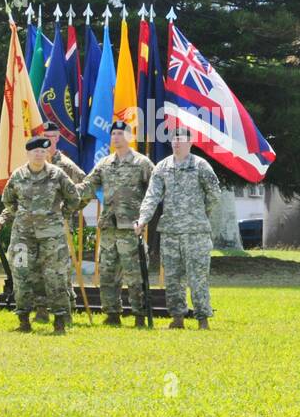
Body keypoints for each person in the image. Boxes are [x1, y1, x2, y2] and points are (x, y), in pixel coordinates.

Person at [0, 135, 84, 334]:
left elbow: (74, 198)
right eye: (35, 151)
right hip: (23, 236)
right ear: (28, 153)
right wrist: (21, 216)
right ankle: (23, 321)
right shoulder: (18, 175)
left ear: (47, 152)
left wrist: (60, 215)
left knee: (55, 276)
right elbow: (8, 200)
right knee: (21, 274)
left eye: (42, 151)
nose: (39, 154)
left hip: (52, 236)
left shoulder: (57, 175)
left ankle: (59, 321)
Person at [136, 126, 222, 329]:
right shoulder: (162, 167)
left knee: (197, 278)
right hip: (170, 232)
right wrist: (142, 220)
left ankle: (202, 319)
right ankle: (177, 318)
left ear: (190, 143)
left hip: (196, 233)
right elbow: (152, 196)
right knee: (173, 278)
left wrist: (200, 215)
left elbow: (214, 195)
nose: (176, 142)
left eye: (181, 139)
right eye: (174, 139)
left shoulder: (200, 165)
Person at [78, 120, 154, 327]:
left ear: (128, 137)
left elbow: (155, 191)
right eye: (113, 134)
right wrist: (66, 192)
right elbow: (88, 185)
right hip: (109, 227)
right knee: (107, 272)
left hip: (131, 227)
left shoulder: (142, 163)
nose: (116, 137)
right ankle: (112, 314)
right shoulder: (104, 163)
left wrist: (145, 216)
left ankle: (139, 314)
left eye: (120, 134)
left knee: (135, 274)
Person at [22, 120, 87, 322]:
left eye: (52, 137)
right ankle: (41, 310)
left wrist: (66, 212)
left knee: (60, 270)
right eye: (45, 137)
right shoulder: (33, 164)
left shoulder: (64, 165)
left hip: (58, 226)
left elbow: (84, 188)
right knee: (38, 269)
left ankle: (68, 309)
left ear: (58, 138)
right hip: (35, 228)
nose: (48, 141)